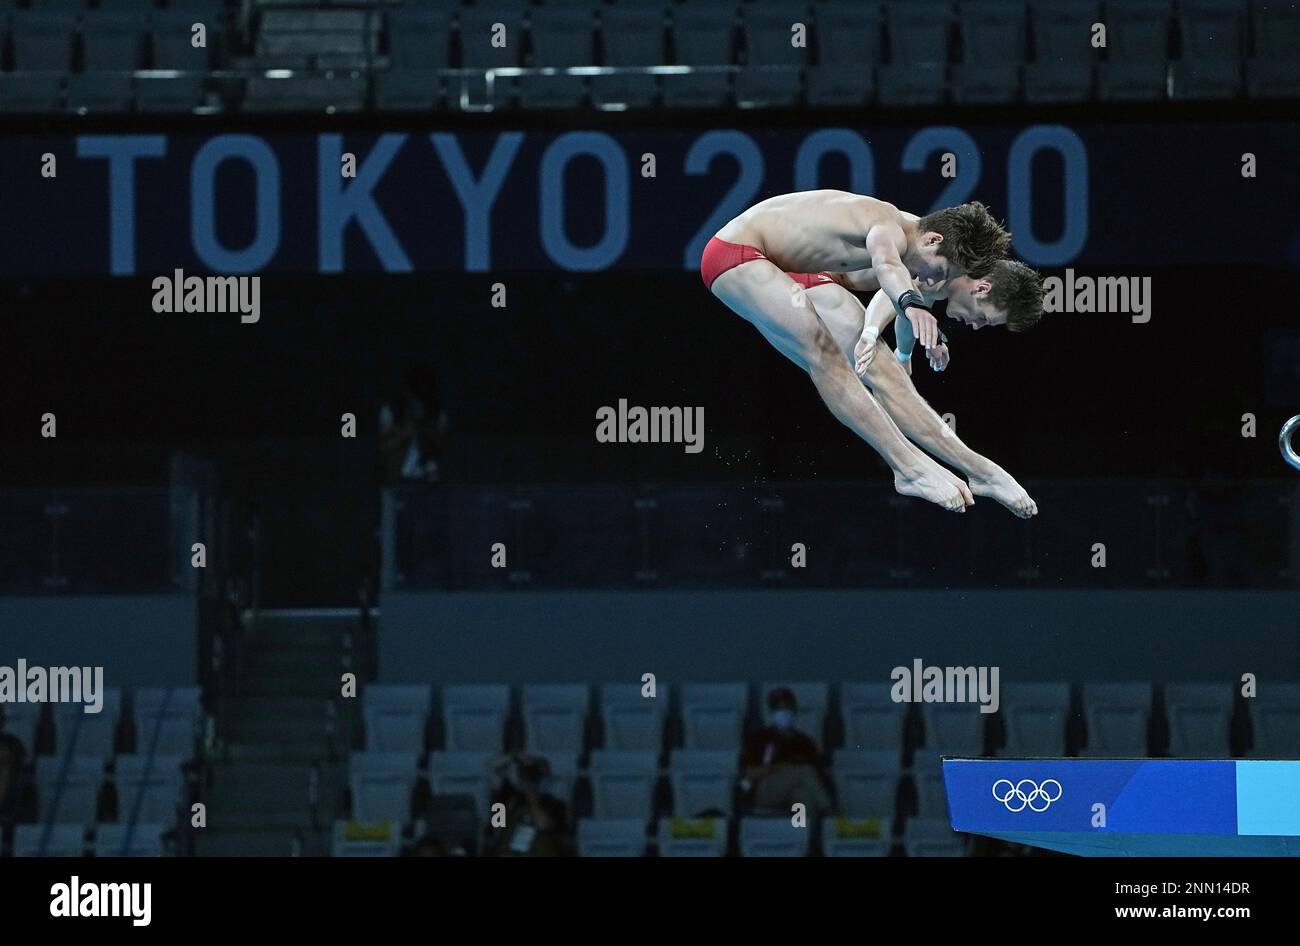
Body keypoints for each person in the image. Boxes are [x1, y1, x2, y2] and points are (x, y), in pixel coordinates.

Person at [704, 190, 1011, 511]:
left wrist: (904, 354)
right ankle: (908, 467)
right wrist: (912, 304)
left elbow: (903, 294)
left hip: (799, 270)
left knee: (885, 370)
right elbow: (888, 265)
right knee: (822, 350)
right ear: (933, 240)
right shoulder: (885, 223)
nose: (934, 280)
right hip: (741, 253)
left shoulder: (922, 254)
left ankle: (980, 470)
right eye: (942, 271)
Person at [788, 260, 1044, 518]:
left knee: (890, 384)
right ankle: (978, 471)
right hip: (808, 276)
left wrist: (903, 354)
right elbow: (892, 294)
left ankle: (937, 467)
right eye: (983, 317)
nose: (976, 325)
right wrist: (870, 331)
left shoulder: (941, 278)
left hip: (810, 278)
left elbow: (906, 308)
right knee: (889, 382)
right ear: (982, 288)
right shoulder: (940, 265)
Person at [742, 689, 833, 816]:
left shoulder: (805, 741)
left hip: (793, 792)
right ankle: (829, 810)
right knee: (804, 770)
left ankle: (802, 832)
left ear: (795, 711)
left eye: (788, 708)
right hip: (764, 790)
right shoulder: (761, 738)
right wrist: (779, 768)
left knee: (803, 796)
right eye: (779, 709)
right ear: (772, 712)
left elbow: (817, 772)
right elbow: (750, 772)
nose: (784, 713)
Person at [486, 752, 570, 857]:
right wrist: (514, 756)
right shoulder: (508, 797)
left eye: (534, 774)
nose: (529, 777)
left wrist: (530, 793)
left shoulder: (553, 803)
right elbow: (491, 770)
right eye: (525, 773)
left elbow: (543, 824)